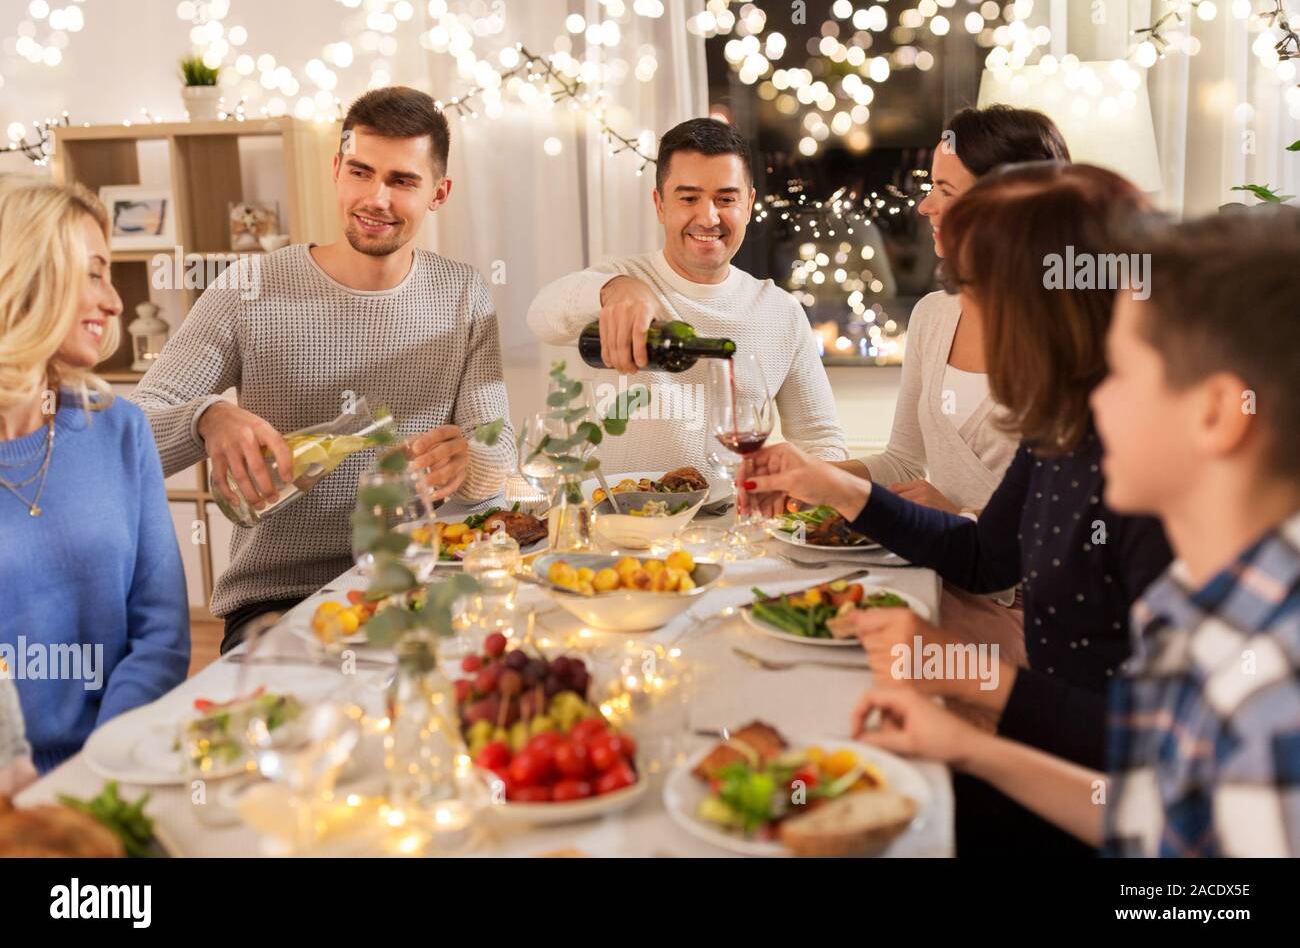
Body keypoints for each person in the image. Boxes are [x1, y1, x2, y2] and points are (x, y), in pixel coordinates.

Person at [742, 163, 1174, 855]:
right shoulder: (1064, 415)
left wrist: (967, 672)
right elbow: (984, 556)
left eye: (974, 290)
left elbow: (1166, 743)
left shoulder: (1152, 468)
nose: (964, 313)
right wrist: (835, 485)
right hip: (1046, 753)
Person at [852, 206, 1300, 856]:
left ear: (1217, 414)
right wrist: (968, 749)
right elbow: (1151, 814)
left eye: (1119, 374)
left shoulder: (1267, 688)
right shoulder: (1198, 600)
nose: (1096, 401)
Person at [132, 87, 516, 652]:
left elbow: (499, 448)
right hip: (280, 596)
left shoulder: (463, 294)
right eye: (360, 171)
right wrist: (207, 417)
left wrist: (468, 463)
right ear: (336, 170)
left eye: (402, 181)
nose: (376, 198)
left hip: (419, 580)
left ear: (439, 193)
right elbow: (132, 434)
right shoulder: (247, 290)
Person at [844, 106, 1072, 666]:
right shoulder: (933, 316)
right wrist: (813, 478)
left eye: (945, 189)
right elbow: (904, 460)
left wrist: (962, 517)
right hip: (935, 578)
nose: (925, 206)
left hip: (1031, 615)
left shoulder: (1072, 340)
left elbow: (1069, 539)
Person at [525, 117, 846, 476]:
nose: (708, 218)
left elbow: (820, 441)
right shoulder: (618, 282)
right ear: (660, 205)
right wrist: (615, 289)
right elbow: (541, 317)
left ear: (750, 204)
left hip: (727, 525)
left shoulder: (779, 312)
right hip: (615, 521)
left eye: (726, 199)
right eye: (689, 198)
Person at [0, 178, 189, 771]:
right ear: (29, 275)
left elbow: (160, 635)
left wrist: (100, 765)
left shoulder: (120, 429)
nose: (114, 302)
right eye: (93, 273)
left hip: (115, 768)